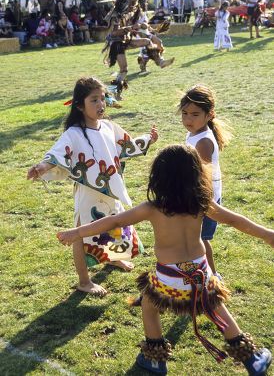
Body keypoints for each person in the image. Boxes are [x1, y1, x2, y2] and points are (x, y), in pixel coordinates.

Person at [57, 144, 273, 375]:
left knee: (149, 306)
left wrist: (77, 233)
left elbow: (114, 222)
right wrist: (268, 235)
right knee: (215, 306)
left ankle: (155, 360)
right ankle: (252, 359)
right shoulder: (201, 203)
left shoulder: (153, 208)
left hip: (170, 276)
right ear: (196, 174)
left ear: (159, 177)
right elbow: (237, 221)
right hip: (201, 271)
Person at [27, 77, 158, 296]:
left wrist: (147, 140)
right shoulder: (73, 134)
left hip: (111, 188)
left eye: (103, 99)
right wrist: (42, 166)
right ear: (80, 105)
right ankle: (84, 281)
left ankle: (114, 258)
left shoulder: (109, 126)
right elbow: (60, 153)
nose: (101, 104)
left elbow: (126, 146)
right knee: (80, 233)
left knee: (114, 222)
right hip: (88, 192)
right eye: (94, 100)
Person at [178, 84, 231, 279]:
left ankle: (213, 275)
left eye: (194, 114)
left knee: (201, 239)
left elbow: (202, 176)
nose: (188, 119)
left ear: (209, 115)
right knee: (192, 238)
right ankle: (194, 271)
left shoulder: (204, 142)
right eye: (184, 113)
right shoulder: (194, 133)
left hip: (204, 199)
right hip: (196, 195)